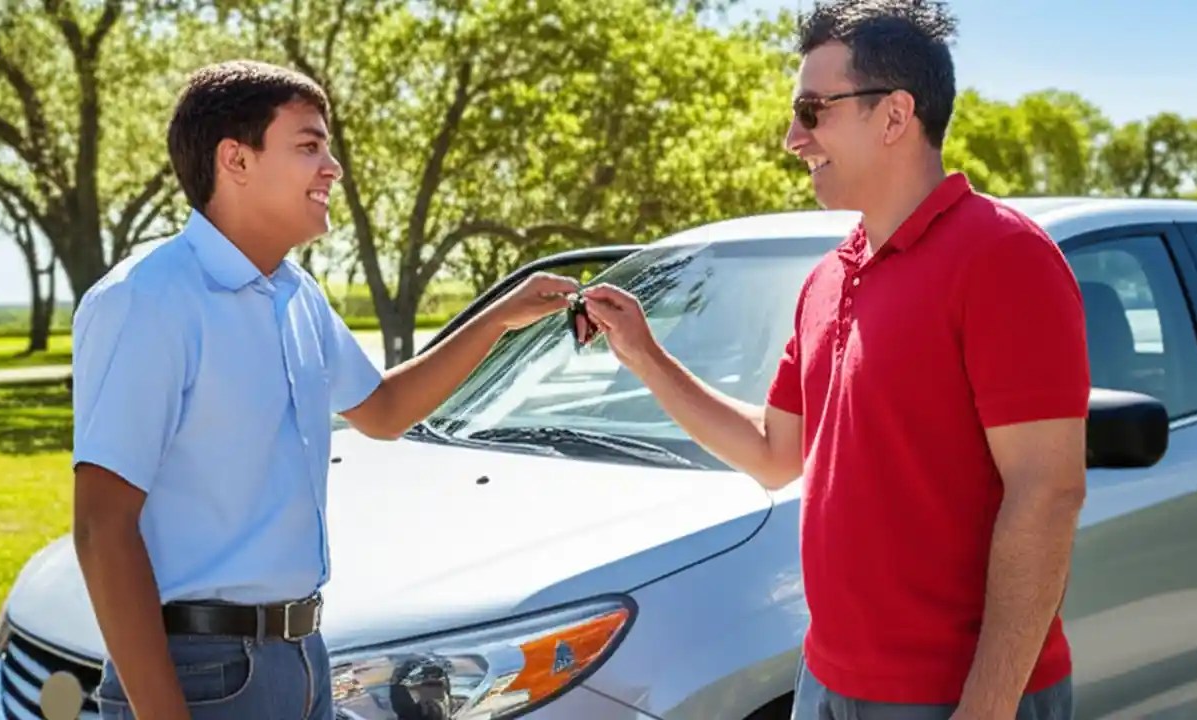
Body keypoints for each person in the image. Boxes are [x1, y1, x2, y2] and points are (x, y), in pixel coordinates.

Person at [580, 1, 1089, 718]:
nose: (793, 138)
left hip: (956, 697)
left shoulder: (1005, 258)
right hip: (826, 683)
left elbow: (1047, 492)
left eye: (812, 110)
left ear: (893, 116)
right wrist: (645, 356)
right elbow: (772, 451)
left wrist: (987, 706)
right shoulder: (827, 278)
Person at [71, 60, 579, 720]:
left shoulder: (295, 293)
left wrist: (500, 318)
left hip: (304, 658)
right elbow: (100, 527)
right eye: (308, 146)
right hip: (201, 676)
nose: (332, 167)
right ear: (236, 161)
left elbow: (384, 409)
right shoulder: (147, 300)